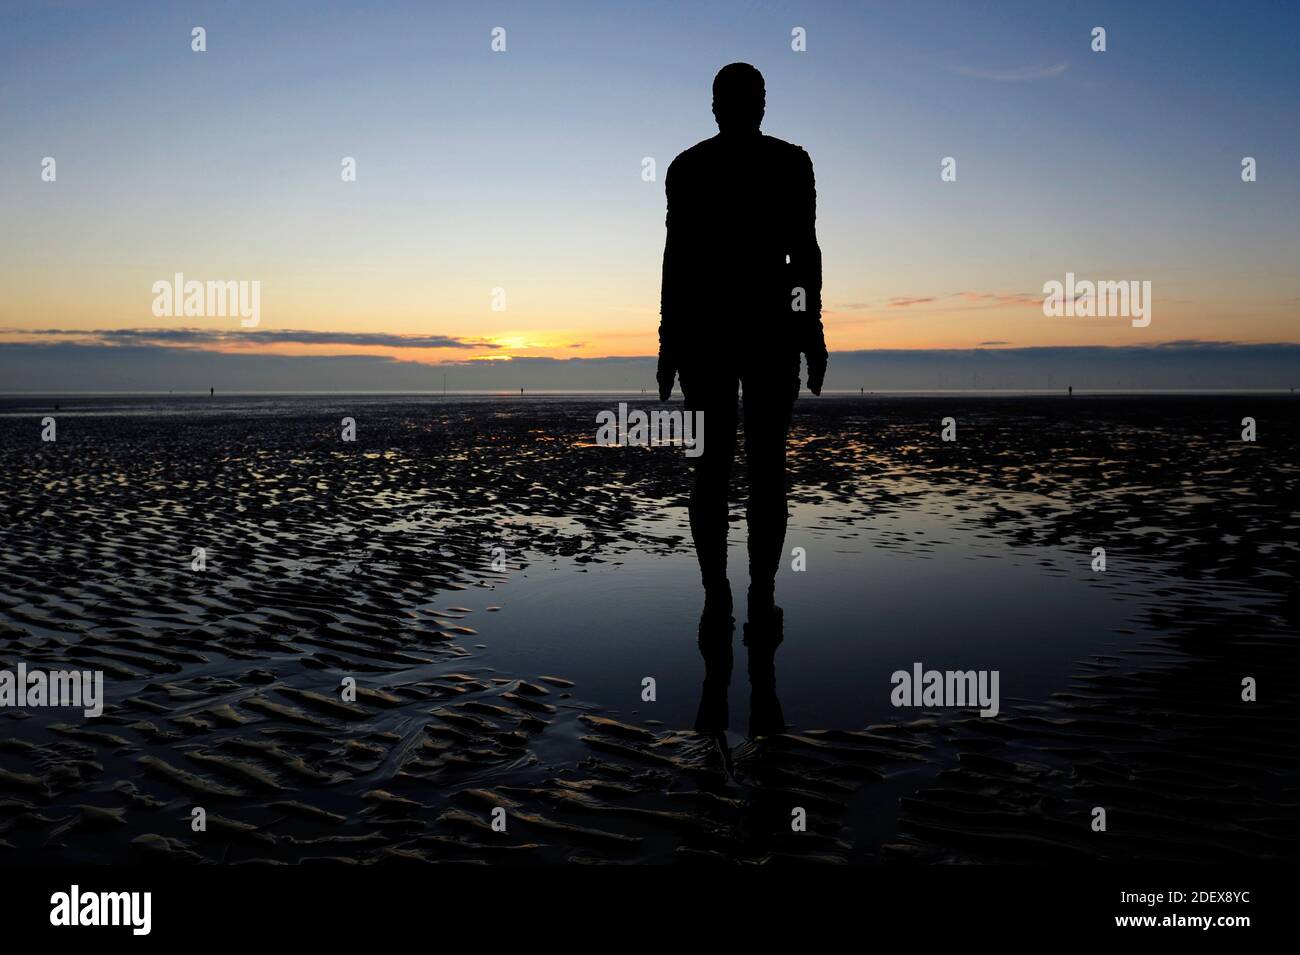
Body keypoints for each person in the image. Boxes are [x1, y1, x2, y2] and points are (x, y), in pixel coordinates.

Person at [657, 62, 826, 631]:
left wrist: (811, 332)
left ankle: (735, 595)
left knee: (734, 469)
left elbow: (802, 254)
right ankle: (737, 595)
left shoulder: (706, 166)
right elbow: (679, 260)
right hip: (740, 331)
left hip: (738, 331)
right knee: (748, 469)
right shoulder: (770, 163)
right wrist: (669, 343)